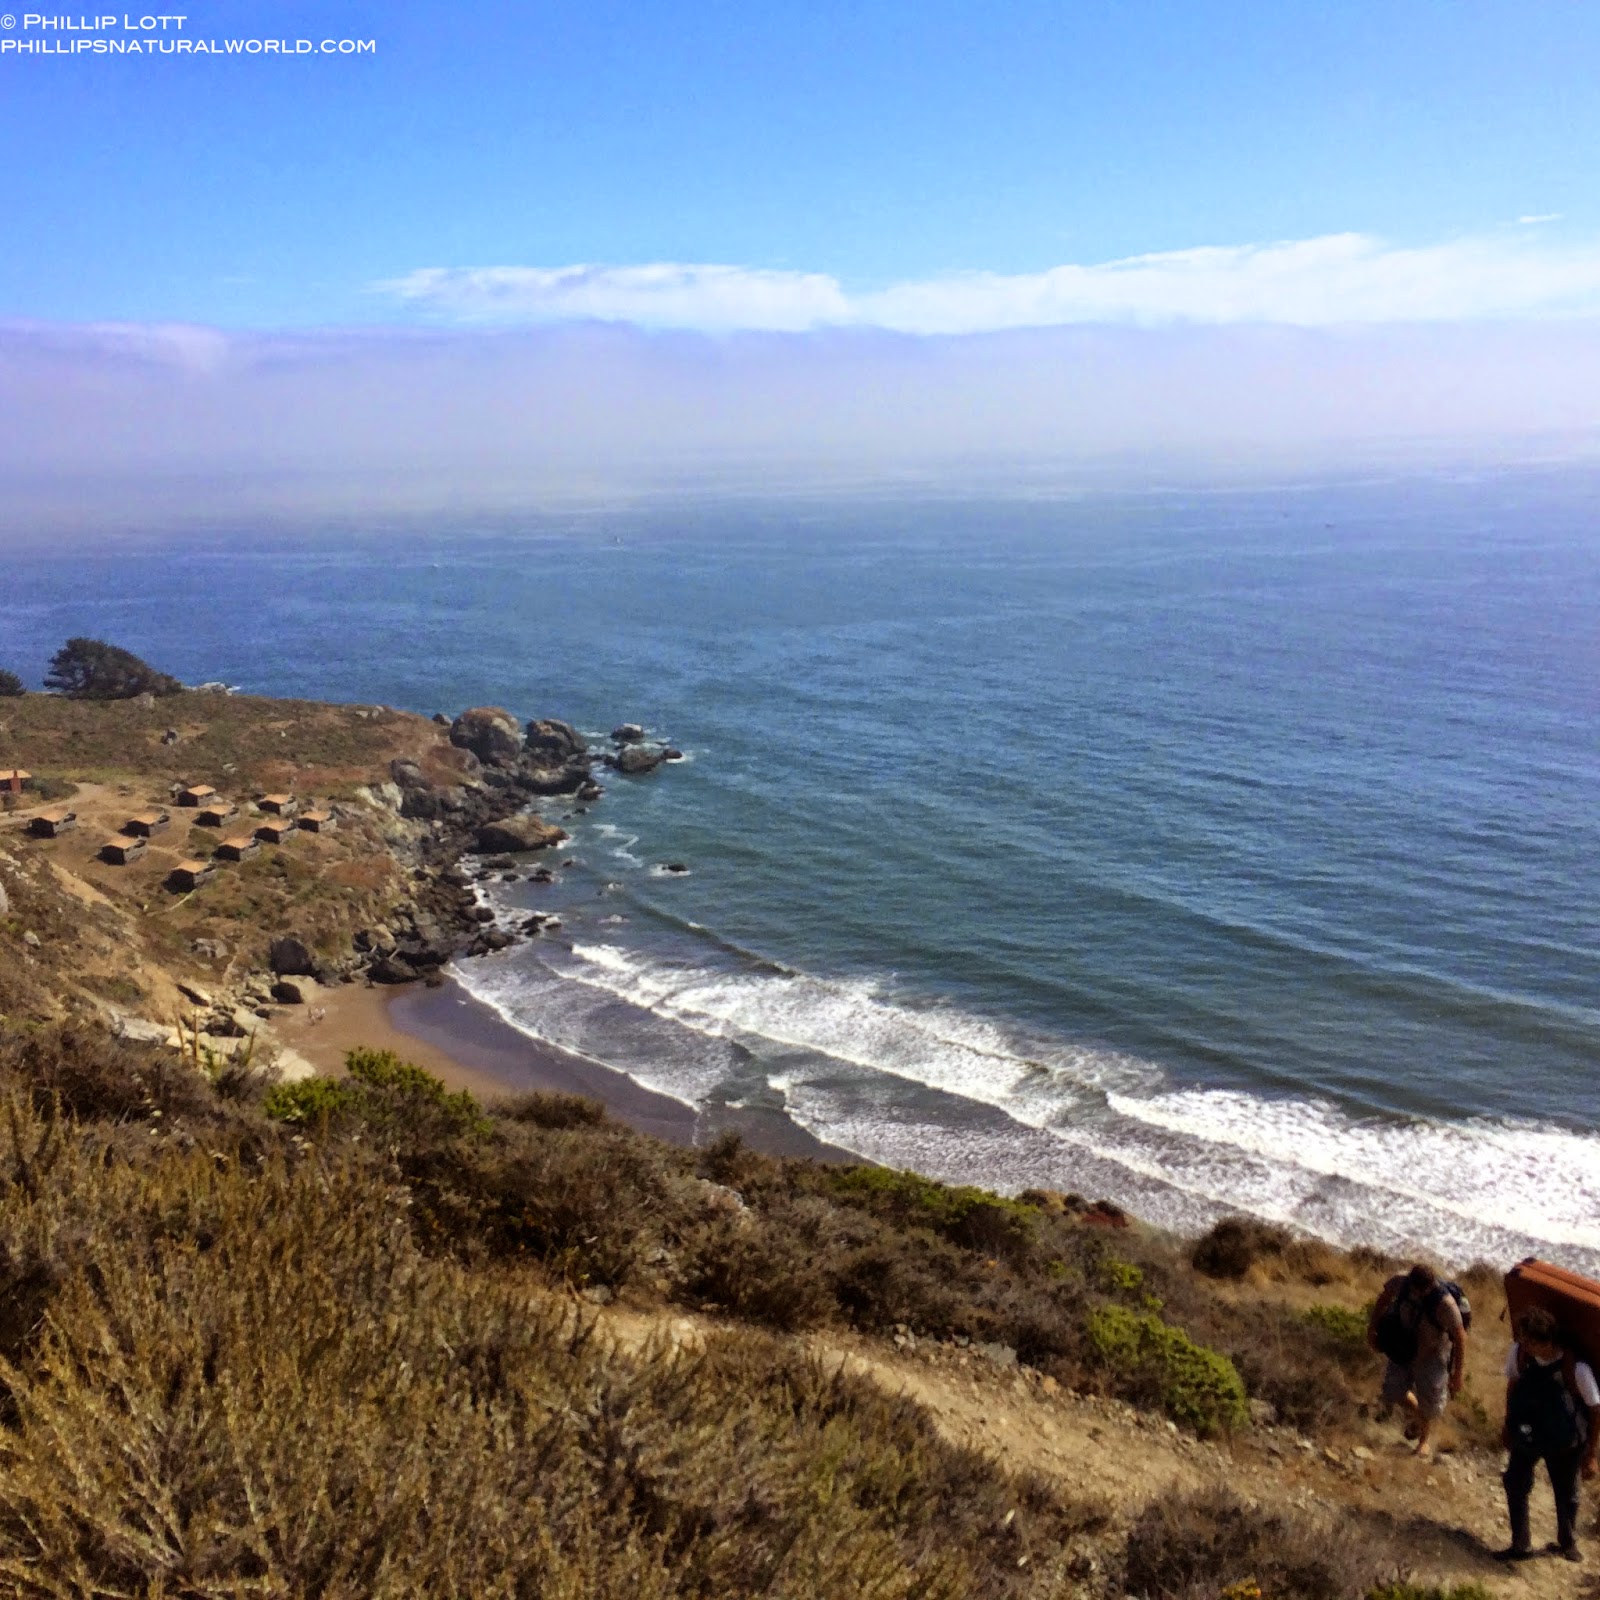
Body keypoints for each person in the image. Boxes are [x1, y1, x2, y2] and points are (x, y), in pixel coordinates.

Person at [1497, 1306, 1600, 1564]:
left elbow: (1595, 1408)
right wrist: (1508, 1425)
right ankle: (1520, 1545)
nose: (1524, 1344)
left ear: (1547, 1340)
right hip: (1528, 1434)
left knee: (1567, 1492)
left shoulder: (1576, 1369)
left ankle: (1567, 1543)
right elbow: (1512, 1385)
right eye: (1523, 1338)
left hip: (1564, 1442)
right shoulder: (1519, 1355)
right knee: (1515, 1484)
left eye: (1529, 1340)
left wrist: (1591, 1453)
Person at [1367, 1263, 1466, 1457]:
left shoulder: (1445, 1304)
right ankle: (1418, 1418)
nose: (1420, 1293)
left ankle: (1423, 1441)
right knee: (1393, 1390)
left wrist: (1458, 1373)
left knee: (1430, 1403)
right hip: (1402, 1346)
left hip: (1432, 1354)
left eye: (1424, 1290)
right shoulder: (1400, 1283)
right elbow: (1383, 1299)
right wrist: (1372, 1328)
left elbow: (1460, 1336)